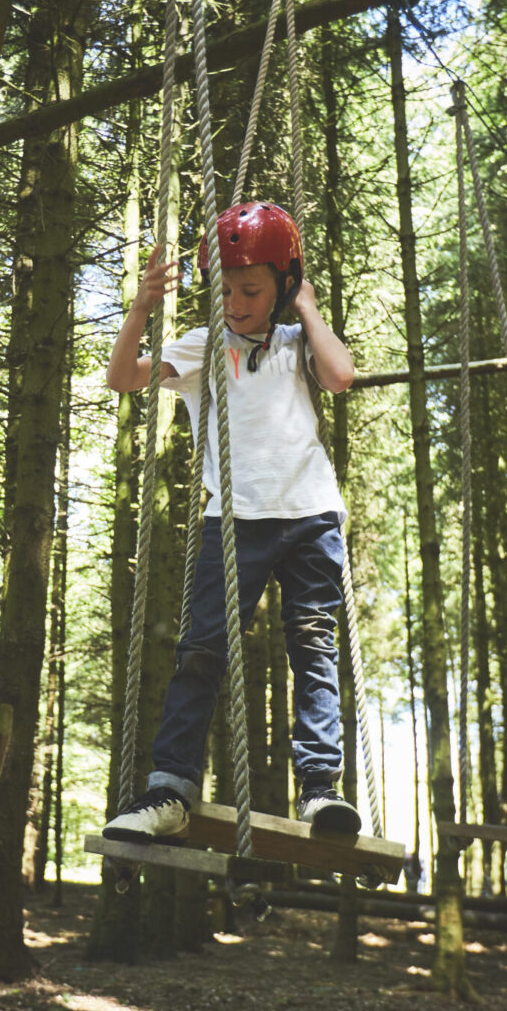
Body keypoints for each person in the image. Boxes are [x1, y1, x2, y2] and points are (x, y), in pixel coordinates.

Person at [102, 202, 363, 844]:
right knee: (202, 651)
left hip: (311, 518)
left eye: (251, 289)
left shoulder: (300, 342)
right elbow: (121, 378)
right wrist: (140, 310)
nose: (237, 302)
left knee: (314, 648)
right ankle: (170, 788)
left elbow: (342, 376)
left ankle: (321, 789)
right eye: (224, 289)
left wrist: (306, 307)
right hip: (236, 521)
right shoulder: (202, 348)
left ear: (283, 285)